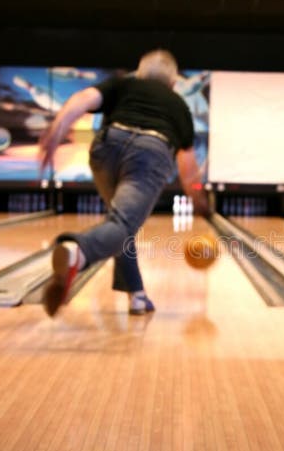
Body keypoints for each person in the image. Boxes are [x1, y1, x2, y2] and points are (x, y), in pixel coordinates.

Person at [38, 49, 208, 317]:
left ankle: (137, 295)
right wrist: (199, 200)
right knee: (122, 224)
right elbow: (188, 171)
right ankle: (78, 251)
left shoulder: (122, 85)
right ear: (173, 82)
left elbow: (81, 100)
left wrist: (57, 130)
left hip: (107, 147)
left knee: (119, 224)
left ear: (138, 74)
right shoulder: (178, 106)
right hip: (149, 153)